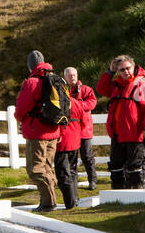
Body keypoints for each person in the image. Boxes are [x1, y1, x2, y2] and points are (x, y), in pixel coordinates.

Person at [96, 55, 145, 189]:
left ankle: (136, 195)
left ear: (133, 67)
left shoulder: (140, 85)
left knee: (135, 169)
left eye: (128, 68)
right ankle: (117, 195)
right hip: (117, 134)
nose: (126, 72)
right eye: (122, 70)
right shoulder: (117, 85)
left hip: (134, 135)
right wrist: (110, 72)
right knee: (116, 168)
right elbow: (101, 88)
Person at [14, 50, 62, 212]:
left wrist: (19, 118)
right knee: (47, 167)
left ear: (30, 66)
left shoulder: (32, 82)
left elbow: (21, 108)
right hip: (54, 130)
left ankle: (48, 203)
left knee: (35, 169)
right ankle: (49, 200)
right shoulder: (56, 79)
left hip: (37, 132)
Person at [55, 66, 94, 208]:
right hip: (75, 141)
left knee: (63, 172)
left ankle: (70, 202)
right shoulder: (77, 103)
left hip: (61, 141)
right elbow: (84, 121)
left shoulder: (57, 104)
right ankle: (75, 198)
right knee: (72, 170)